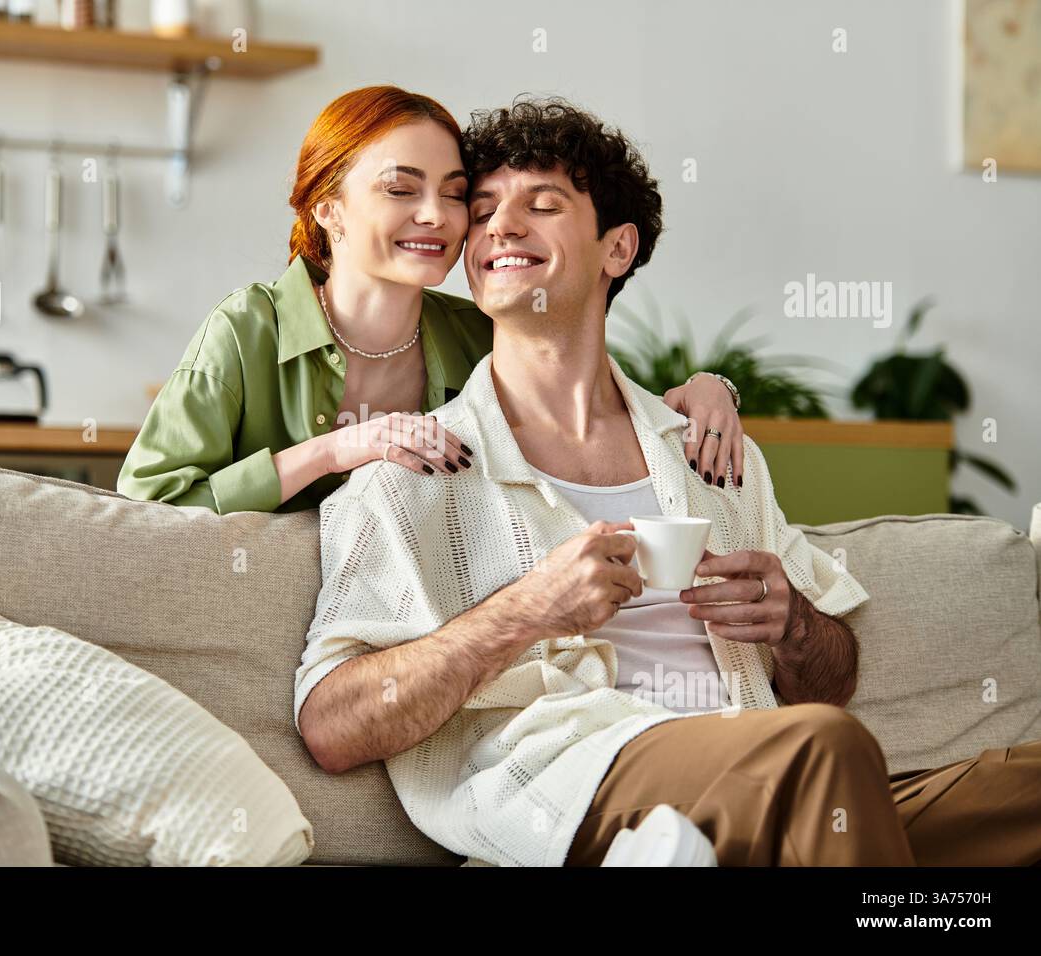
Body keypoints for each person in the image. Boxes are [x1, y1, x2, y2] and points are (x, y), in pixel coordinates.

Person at [292, 97, 1041, 867]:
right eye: (480, 212)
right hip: (583, 782)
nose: (500, 227)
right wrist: (525, 612)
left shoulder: (710, 458)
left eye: (541, 206)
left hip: (771, 776)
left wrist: (794, 627)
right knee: (821, 751)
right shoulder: (413, 476)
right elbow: (331, 724)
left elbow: (828, 684)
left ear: (618, 249)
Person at [117, 86, 745, 514]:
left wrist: (708, 389)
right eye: (400, 189)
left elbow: (594, 410)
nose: (435, 217)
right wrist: (334, 450)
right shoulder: (247, 328)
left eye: (452, 194)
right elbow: (148, 508)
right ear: (328, 209)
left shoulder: (475, 333)